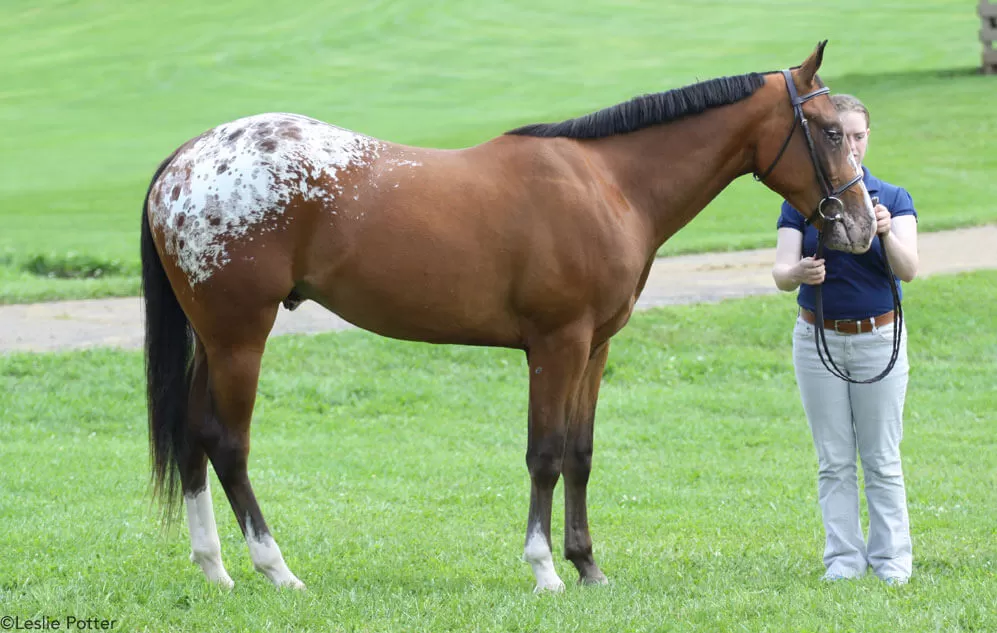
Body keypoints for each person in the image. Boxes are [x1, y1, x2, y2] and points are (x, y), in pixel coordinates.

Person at [771, 94, 920, 585]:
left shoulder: (892, 199)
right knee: (833, 461)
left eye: (859, 136)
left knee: (881, 457)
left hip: (879, 336)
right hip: (817, 341)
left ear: (868, 138)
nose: (851, 146)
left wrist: (884, 233)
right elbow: (780, 274)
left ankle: (892, 560)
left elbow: (909, 269)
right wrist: (799, 271)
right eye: (842, 137)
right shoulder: (803, 202)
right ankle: (843, 560)